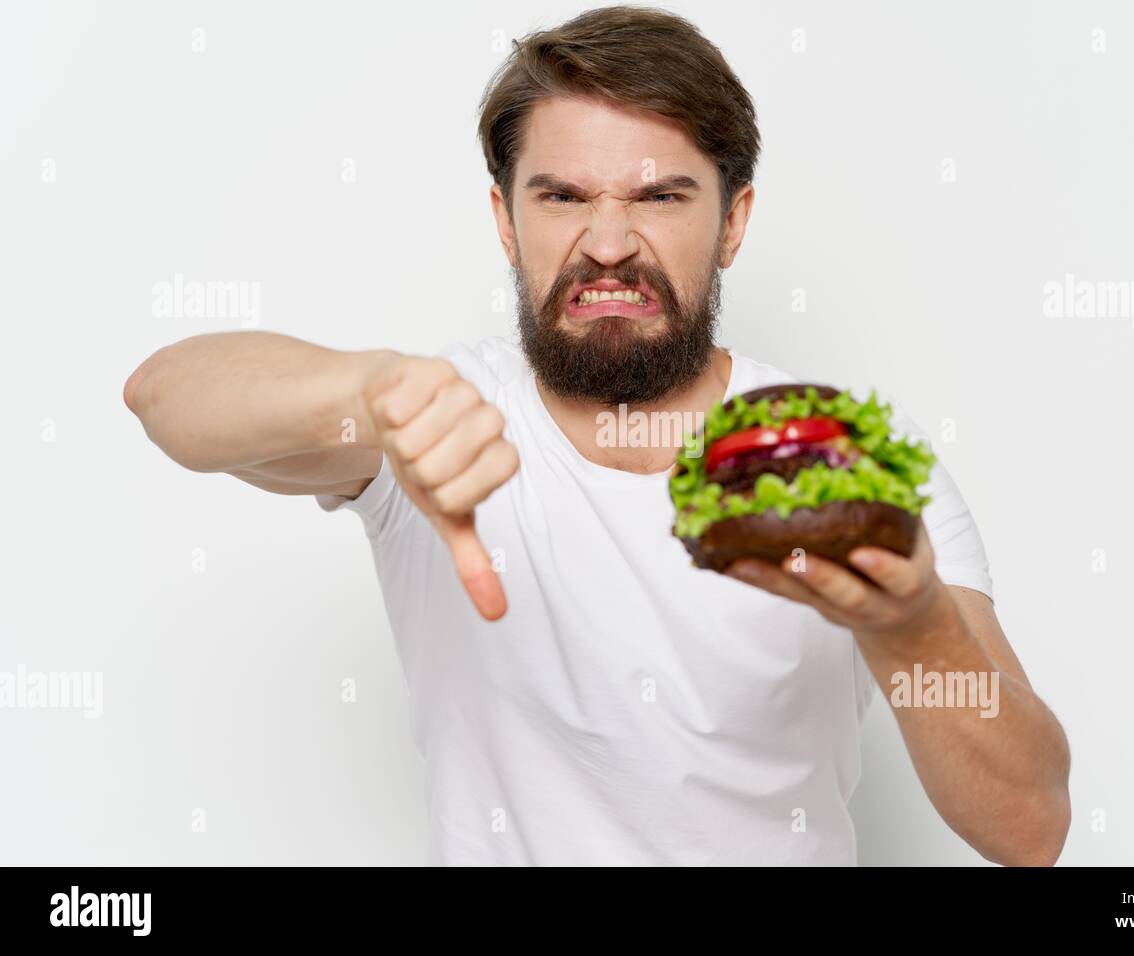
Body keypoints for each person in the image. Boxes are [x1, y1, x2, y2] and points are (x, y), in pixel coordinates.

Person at [125, 5, 1070, 866]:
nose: (608, 243)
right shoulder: (435, 421)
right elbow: (166, 397)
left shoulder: (836, 455)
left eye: (659, 197)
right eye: (563, 196)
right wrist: (367, 392)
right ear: (505, 220)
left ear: (733, 220)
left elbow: (1029, 827)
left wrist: (913, 625)